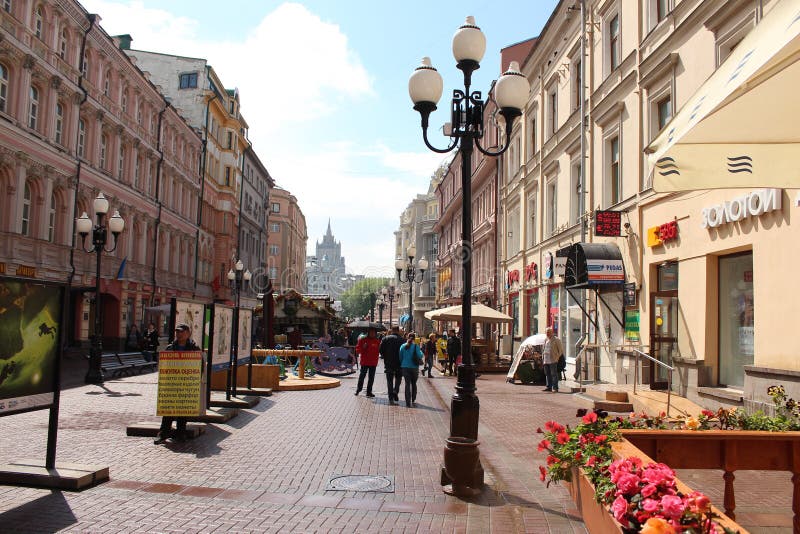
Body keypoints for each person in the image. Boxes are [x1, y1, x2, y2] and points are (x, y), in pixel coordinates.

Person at [154, 323, 200, 444]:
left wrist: (195, 380)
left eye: (181, 332)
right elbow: (164, 365)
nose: (179, 334)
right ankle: (163, 433)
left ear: (188, 333)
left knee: (182, 410)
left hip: (186, 384)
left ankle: (181, 433)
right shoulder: (170, 348)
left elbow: (199, 367)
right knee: (168, 409)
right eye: (177, 332)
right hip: (171, 384)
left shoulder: (194, 349)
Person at [379, 326, 404, 404]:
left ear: (392, 330)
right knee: (398, 378)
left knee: (389, 380)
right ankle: (395, 390)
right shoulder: (403, 340)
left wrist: (385, 356)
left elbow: (380, 350)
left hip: (388, 362)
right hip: (399, 362)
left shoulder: (385, 339)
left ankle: (390, 398)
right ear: (398, 331)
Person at [399, 332, 423, 407]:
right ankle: (413, 398)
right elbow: (420, 355)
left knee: (407, 384)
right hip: (414, 368)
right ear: (414, 338)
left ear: (407, 337)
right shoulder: (416, 346)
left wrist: (403, 363)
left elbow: (400, 357)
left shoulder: (403, 346)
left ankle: (407, 402)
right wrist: (421, 351)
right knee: (413, 383)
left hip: (405, 367)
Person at [354, 327, 380, 397]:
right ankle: (358, 389)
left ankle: (369, 392)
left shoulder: (377, 341)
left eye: (374, 332)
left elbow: (379, 351)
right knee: (362, 376)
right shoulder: (362, 340)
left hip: (373, 362)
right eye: (371, 332)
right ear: (368, 333)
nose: (372, 334)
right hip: (365, 362)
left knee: (371, 378)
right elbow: (357, 350)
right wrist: (363, 347)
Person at [542, 326, 564, 393]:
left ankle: (555, 388)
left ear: (552, 333)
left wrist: (557, 357)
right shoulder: (545, 340)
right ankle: (549, 387)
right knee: (547, 374)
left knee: (554, 374)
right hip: (546, 359)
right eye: (546, 332)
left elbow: (560, 350)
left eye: (549, 332)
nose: (547, 333)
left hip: (553, 360)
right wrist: (543, 357)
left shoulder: (556, 340)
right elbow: (543, 349)